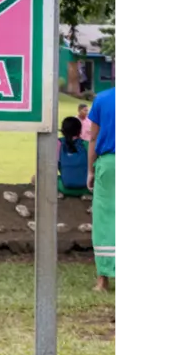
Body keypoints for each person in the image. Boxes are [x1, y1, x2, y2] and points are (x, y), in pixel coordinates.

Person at [87, 85, 119, 292]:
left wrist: (90, 170)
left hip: (109, 165)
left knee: (105, 219)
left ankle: (103, 280)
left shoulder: (103, 98)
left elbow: (93, 137)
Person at [56, 116, 89, 196]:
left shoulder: (58, 143)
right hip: (86, 189)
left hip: (64, 188)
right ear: (80, 130)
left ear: (63, 131)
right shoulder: (87, 145)